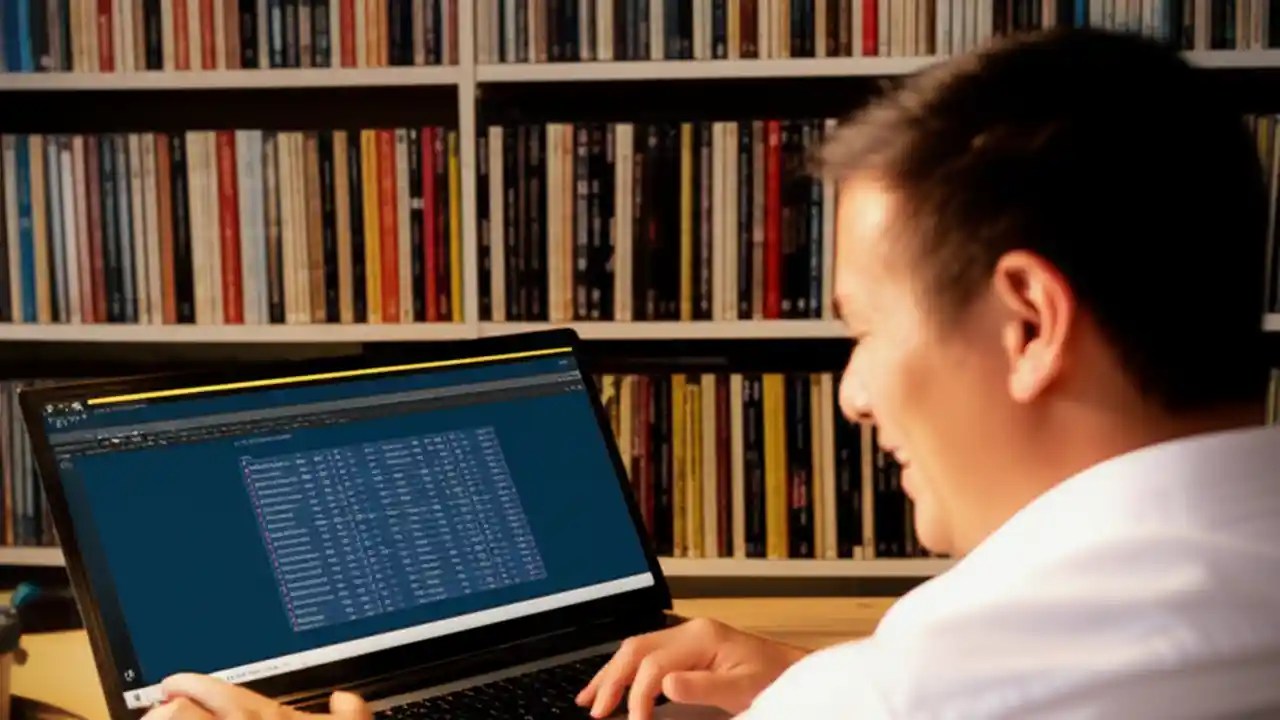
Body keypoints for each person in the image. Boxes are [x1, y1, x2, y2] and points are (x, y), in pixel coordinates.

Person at [143, 26, 1280, 720]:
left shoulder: (927, 691)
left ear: (1027, 322)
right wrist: (808, 673)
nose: (852, 393)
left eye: (864, 327)